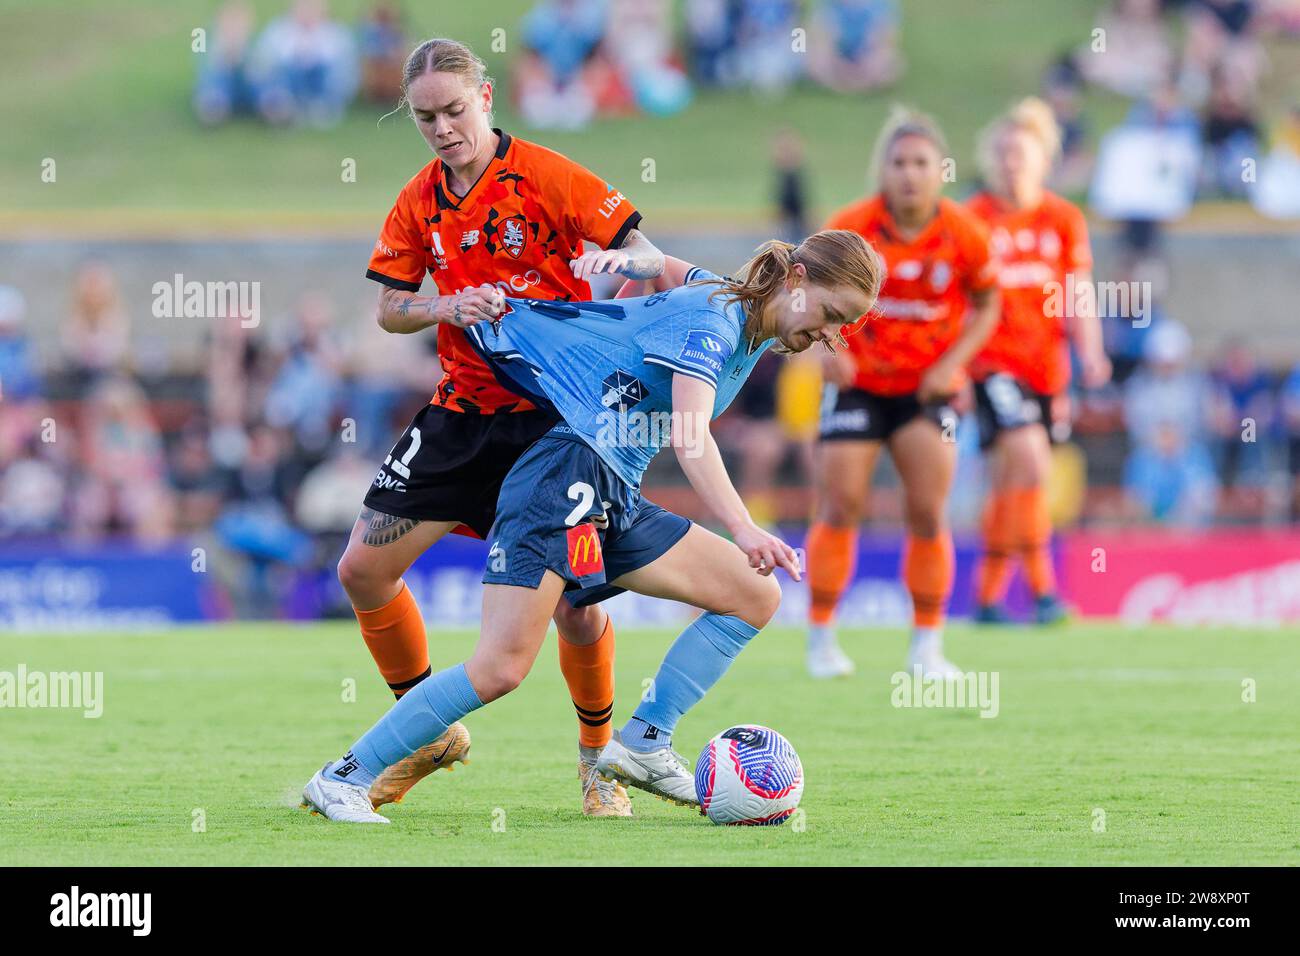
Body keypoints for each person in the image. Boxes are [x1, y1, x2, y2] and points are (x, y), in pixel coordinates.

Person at [301, 230, 885, 822]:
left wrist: (626, 293)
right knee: (501, 667)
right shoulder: (716, 324)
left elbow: (661, 266)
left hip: (610, 489)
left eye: (845, 326)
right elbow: (689, 436)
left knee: (754, 594)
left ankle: (645, 743)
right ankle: (343, 777)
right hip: (564, 478)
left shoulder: (730, 303)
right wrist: (746, 528)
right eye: (831, 314)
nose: (830, 337)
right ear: (796, 279)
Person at [344, 38, 667, 818]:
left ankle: (599, 764)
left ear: (486, 96)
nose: (443, 128)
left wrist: (609, 268)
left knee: (579, 607)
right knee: (362, 569)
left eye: (454, 110)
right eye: (425, 117)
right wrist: (444, 306)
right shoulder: (420, 199)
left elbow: (644, 252)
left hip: (560, 428)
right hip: (462, 417)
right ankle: (424, 730)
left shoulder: (549, 176)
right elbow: (390, 306)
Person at [804, 107, 1001, 680]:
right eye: (898, 163)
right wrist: (827, 346)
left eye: (920, 163)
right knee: (841, 504)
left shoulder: (965, 233)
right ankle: (820, 639)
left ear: (941, 170)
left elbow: (989, 303)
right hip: (859, 386)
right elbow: (800, 288)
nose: (909, 173)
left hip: (925, 392)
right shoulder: (851, 227)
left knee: (927, 510)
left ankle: (927, 649)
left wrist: (954, 365)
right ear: (883, 170)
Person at [966, 98, 1111, 626]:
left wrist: (1091, 351)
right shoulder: (974, 218)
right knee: (1032, 464)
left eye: (1020, 153)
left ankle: (986, 599)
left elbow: (1079, 293)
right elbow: (959, 298)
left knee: (1013, 482)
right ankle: (1045, 593)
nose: (1011, 163)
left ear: (1043, 160)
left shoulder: (1063, 219)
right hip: (992, 366)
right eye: (1003, 153)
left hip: (1048, 370)